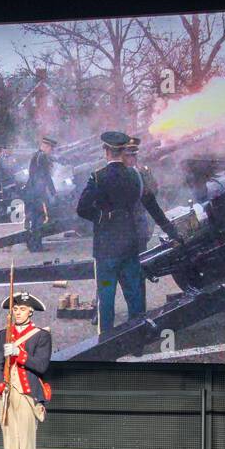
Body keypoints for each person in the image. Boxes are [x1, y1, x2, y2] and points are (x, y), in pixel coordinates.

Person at [76, 131, 177, 334]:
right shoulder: (136, 176)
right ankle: (137, 337)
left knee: (106, 296)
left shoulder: (98, 177)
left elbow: (82, 209)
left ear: (106, 151)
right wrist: (171, 231)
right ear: (123, 152)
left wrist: (103, 217)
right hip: (130, 246)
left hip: (106, 250)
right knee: (134, 295)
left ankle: (106, 341)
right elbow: (152, 206)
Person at [0, 292, 52, 449]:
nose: (18, 312)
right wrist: (0, 386)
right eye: (15, 309)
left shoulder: (41, 336)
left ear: (30, 312)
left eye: (22, 309)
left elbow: (41, 365)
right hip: (7, 394)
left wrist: (20, 353)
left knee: (25, 445)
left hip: (27, 394)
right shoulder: (3, 335)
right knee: (10, 444)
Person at [22, 135, 57, 252]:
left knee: (33, 219)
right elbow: (45, 177)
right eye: (50, 148)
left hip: (31, 192)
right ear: (45, 146)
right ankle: (36, 246)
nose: (51, 151)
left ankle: (32, 244)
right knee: (39, 219)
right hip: (38, 194)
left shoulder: (36, 155)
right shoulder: (42, 157)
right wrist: (53, 192)